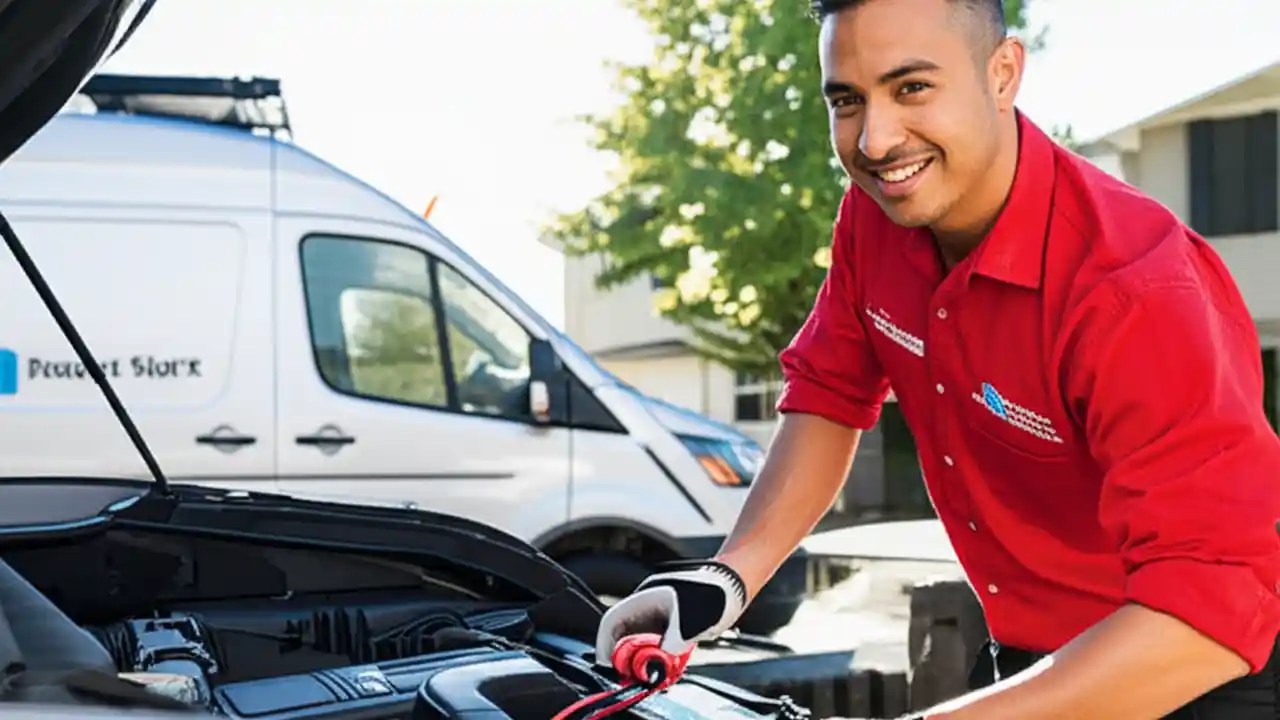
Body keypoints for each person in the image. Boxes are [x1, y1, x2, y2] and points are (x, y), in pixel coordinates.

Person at [593, 0, 1280, 717]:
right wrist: (728, 577)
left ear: (1004, 72)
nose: (877, 140)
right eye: (848, 101)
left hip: (1189, 676)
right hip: (1026, 661)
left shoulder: (1136, 289)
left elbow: (1212, 608)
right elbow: (829, 395)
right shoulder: (878, 218)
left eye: (911, 88)